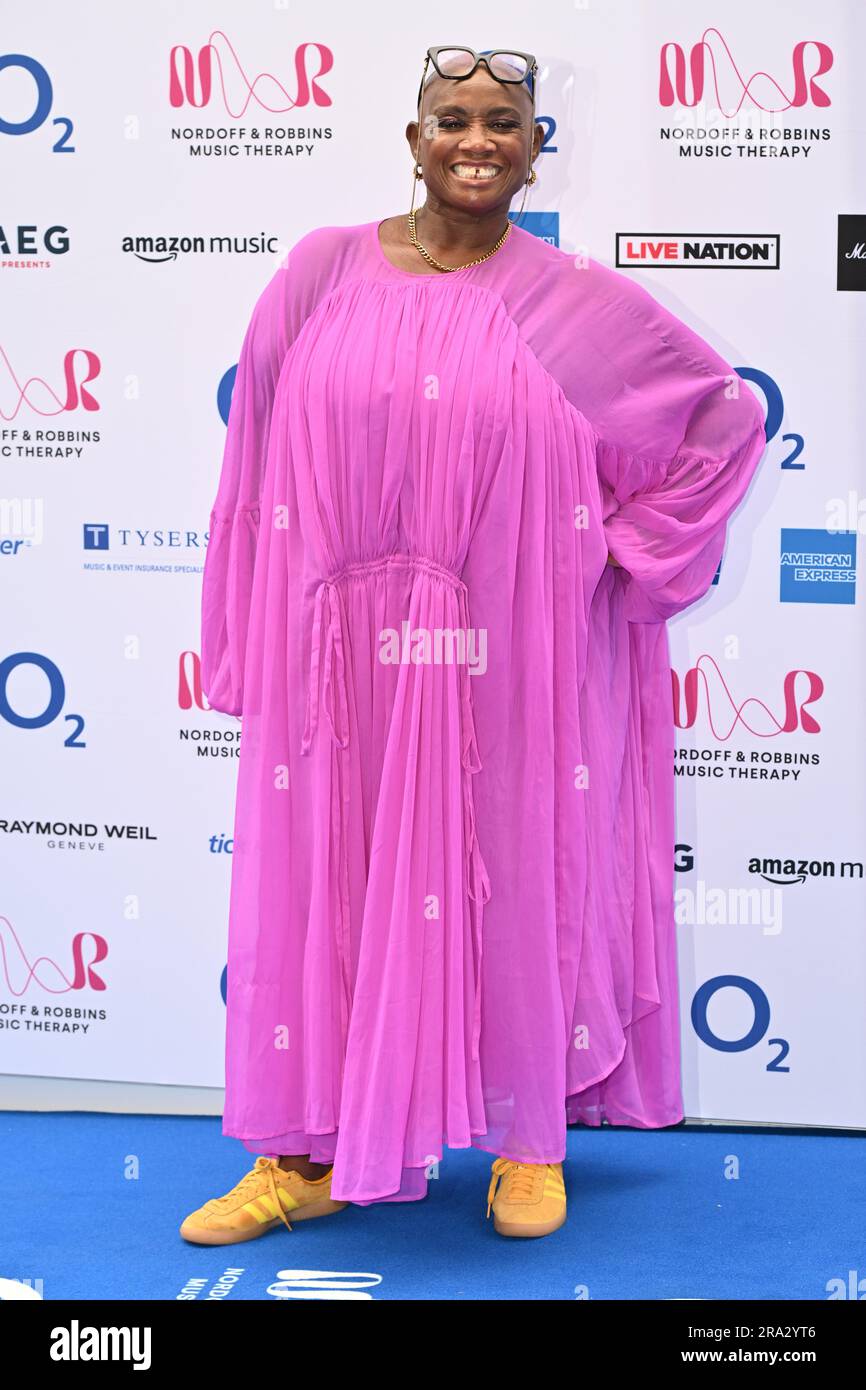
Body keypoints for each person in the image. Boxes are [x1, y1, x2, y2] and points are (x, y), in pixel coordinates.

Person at [180, 45, 766, 1245]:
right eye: (453, 118)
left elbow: (720, 418)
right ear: (413, 138)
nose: (477, 140)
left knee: (513, 875)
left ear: (535, 148)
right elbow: (252, 470)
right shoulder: (317, 272)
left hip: (499, 661)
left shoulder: (569, 304)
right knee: (320, 888)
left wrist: (612, 555)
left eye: (505, 122)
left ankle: (525, 1144)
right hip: (334, 663)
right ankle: (303, 1158)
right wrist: (243, 637)